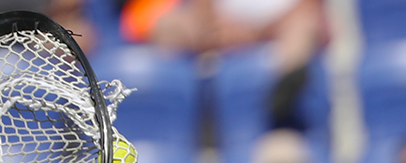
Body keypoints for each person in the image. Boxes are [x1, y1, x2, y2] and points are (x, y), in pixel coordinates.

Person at [120, 0, 328, 129]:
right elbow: (201, 8)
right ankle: (170, 113)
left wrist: (253, 34)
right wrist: (216, 27)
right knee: (166, 27)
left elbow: (309, 8)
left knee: (303, 29)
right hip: (220, 27)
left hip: (277, 31)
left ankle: (284, 95)